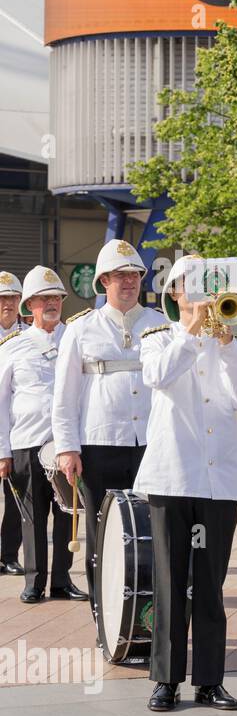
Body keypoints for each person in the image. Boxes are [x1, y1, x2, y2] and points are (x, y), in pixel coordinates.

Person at [135, 255, 237, 713]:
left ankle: (210, 680)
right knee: (168, 580)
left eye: (213, 285)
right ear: (176, 291)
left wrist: (224, 344)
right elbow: (157, 376)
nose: (205, 294)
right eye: (195, 285)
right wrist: (192, 332)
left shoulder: (234, 344)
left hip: (218, 479)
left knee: (210, 585)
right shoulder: (158, 338)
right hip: (172, 474)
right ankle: (166, 679)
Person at [53, 240, 168, 602]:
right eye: (120, 276)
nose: (129, 282)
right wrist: (67, 448)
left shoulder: (160, 324)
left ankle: (147, 611)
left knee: (154, 532)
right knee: (102, 534)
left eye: (134, 275)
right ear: (103, 281)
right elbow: (65, 395)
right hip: (99, 445)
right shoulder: (80, 329)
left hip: (152, 443)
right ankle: (105, 611)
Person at [0, 268, 87, 603]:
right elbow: (3, 402)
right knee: (32, 517)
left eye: (56, 298)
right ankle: (34, 582)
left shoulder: (77, 337)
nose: (52, 303)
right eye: (44, 298)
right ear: (29, 305)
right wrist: (3, 451)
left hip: (68, 444)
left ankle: (63, 580)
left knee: (68, 514)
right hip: (26, 442)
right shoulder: (12, 346)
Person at [0, 271, 27, 576]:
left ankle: (9, 555)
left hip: (18, 429)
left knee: (16, 498)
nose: (8, 303)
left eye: (12, 298)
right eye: (2, 298)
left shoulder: (27, 336)